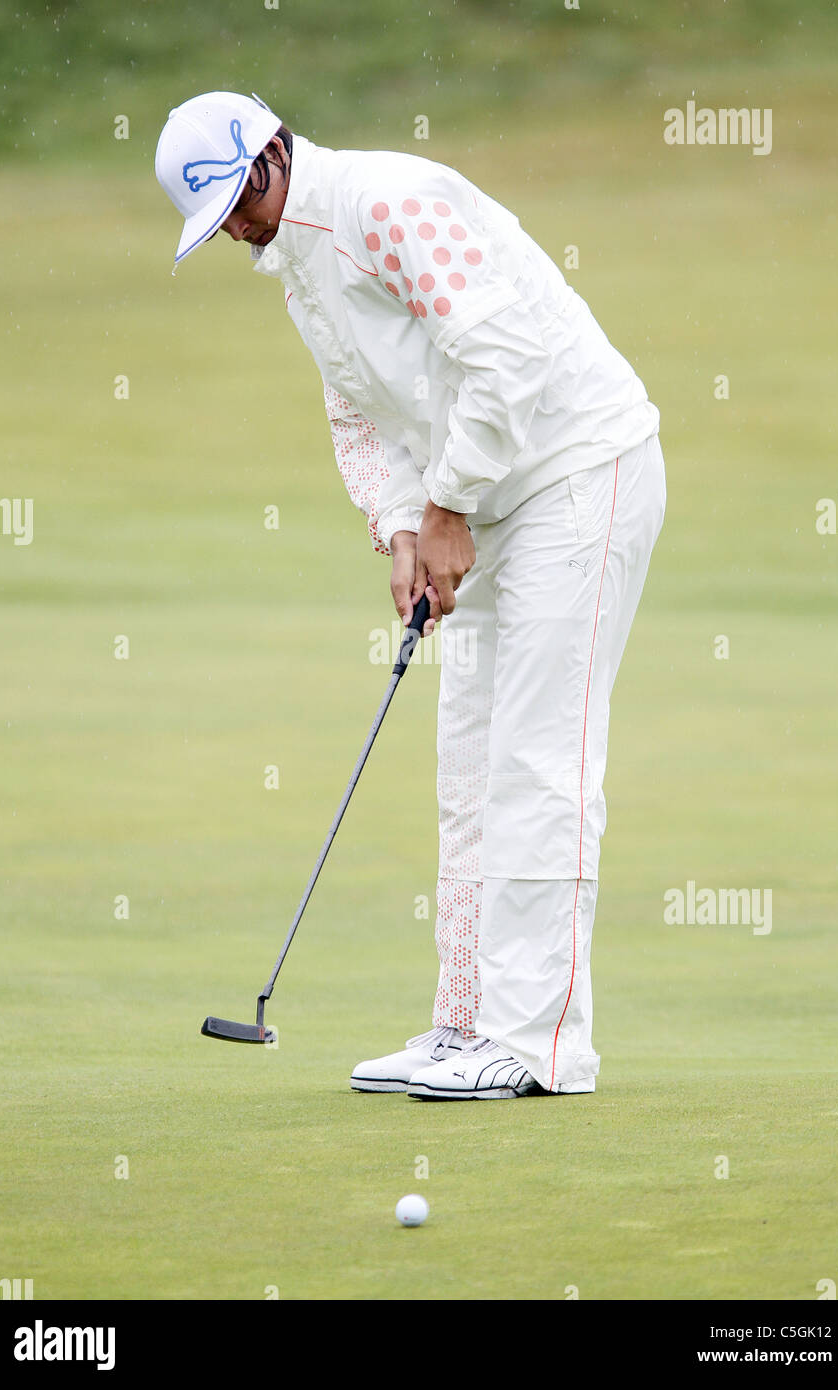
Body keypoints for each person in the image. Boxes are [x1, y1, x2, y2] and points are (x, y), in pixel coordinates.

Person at [155, 91, 666, 1101]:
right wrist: (402, 529)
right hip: (481, 502)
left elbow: (505, 349)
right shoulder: (298, 270)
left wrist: (447, 505)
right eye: (214, 227)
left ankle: (537, 1043)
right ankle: (466, 1022)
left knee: (536, 758)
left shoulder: (385, 201)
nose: (233, 236)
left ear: (266, 160)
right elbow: (358, 417)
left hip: (578, 469)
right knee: (467, 767)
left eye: (233, 211)